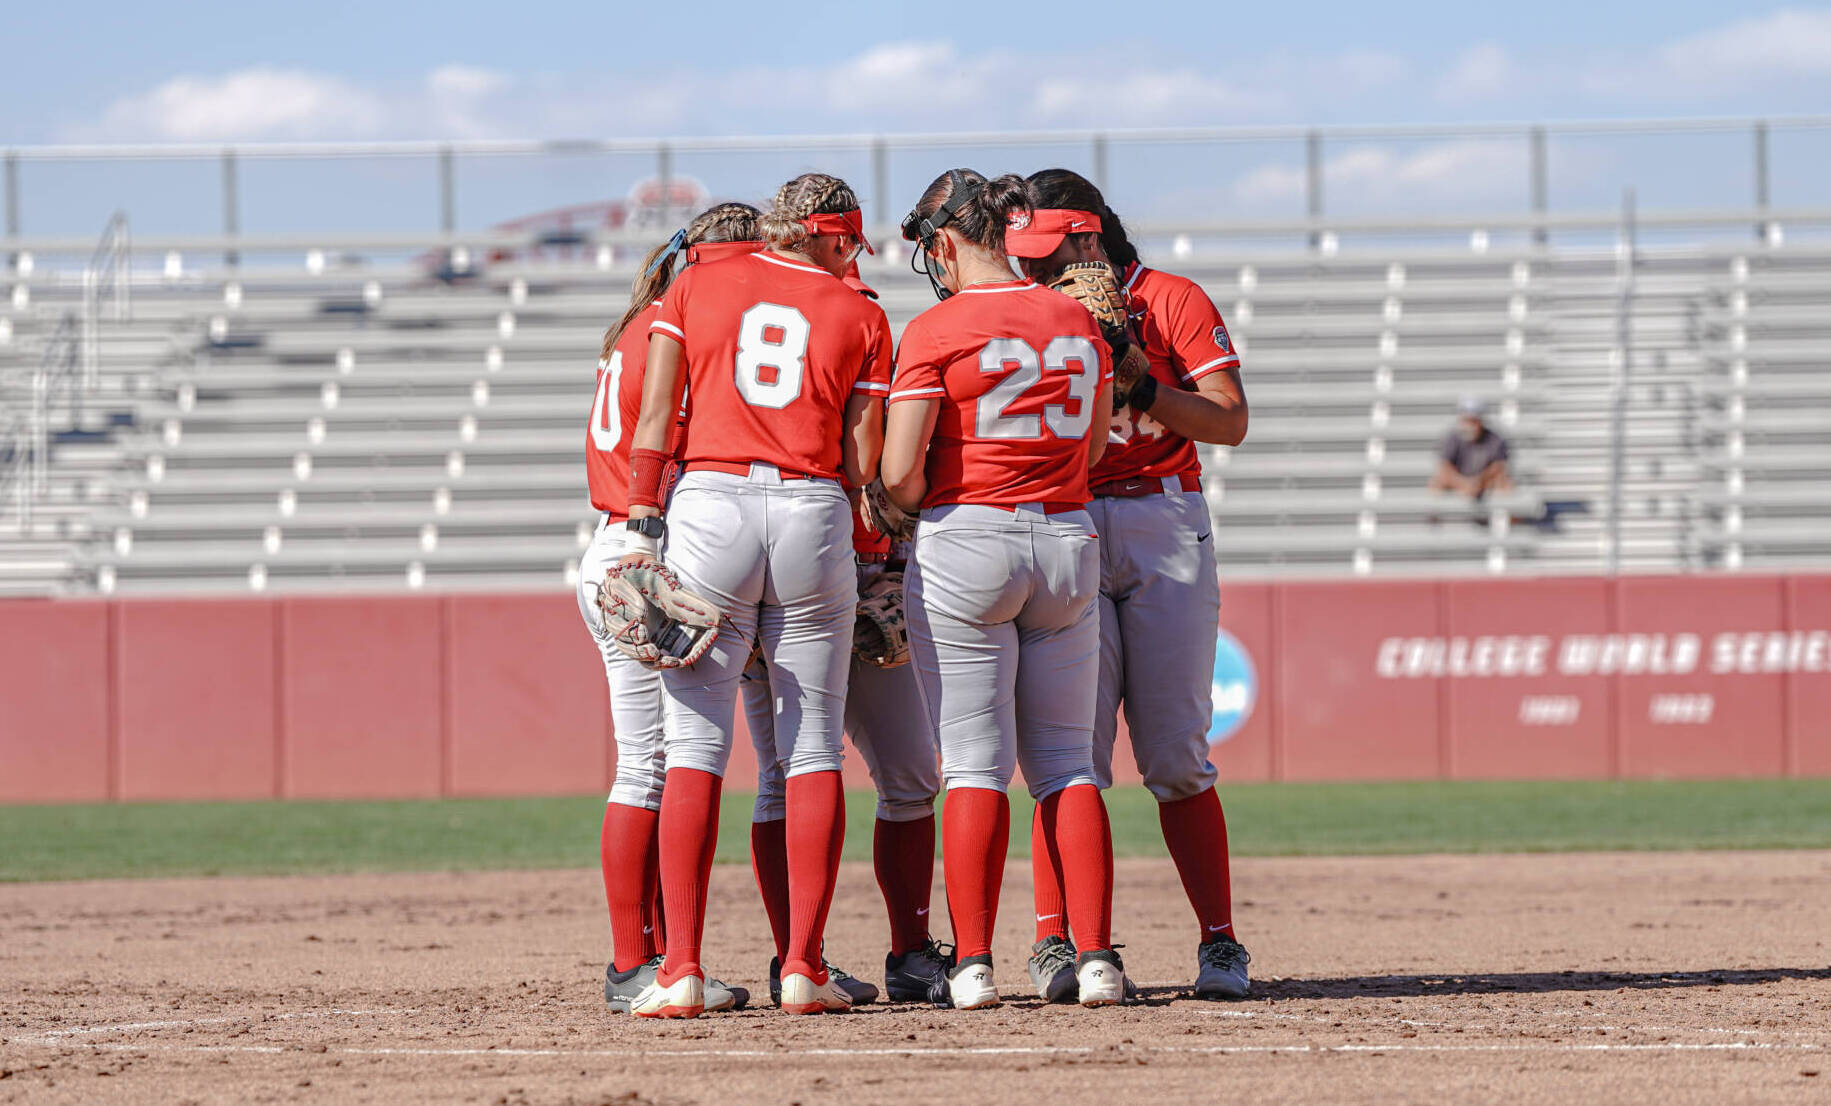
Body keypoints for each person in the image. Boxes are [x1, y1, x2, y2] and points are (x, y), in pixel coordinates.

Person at [622, 172, 892, 1018]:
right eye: (848, 239)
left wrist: (639, 522)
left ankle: (682, 972)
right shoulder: (862, 311)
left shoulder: (697, 282)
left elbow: (659, 411)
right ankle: (804, 967)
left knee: (693, 743)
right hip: (812, 508)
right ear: (830, 235)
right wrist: (877, 552)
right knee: (810, 748)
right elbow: (862, 461)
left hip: (710, 501)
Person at [1006, 168, 1253, 1001]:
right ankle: (1062, 941)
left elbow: (1228, 421)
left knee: (1178, 755)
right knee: (1065, 755)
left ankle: (1218, 941)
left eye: (1045, 250)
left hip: (1159, 519)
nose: (1031, 269)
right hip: (1065, 518)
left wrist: (1143, 384)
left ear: (1087, 234)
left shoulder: (1170, 297)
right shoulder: (1028, 310)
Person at [881, 167, 1124, 1010]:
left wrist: (902, 501)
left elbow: (900, 473)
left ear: (944, 241)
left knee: (975, 767)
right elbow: (1093, 449)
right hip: (1064, 536)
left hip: (968, 537)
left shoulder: (937, 327)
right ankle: (1095, 958)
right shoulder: (1075, 318)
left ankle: (974, 963)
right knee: (1066, 765)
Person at [741, 263, 950, 1009]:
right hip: (799, 578)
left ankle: (908, 952)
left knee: (908, 775)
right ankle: (798, 955)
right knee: (793, 773)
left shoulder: (779, 372)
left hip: (847, 577)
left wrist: (894, 569)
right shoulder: (790, 394)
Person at [576, 204, 765, 1016]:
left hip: (611, 541)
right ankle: (647, 961)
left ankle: (636, 962)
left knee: (638, 765)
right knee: (667, 760)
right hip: (656, 544)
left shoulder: (641, 318)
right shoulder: (687, 324)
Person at [1430, 397, 1514, 499]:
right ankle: (1432, 513)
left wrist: (1479, 482)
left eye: (1473, 421)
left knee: (1505, 483)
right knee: (1437, 483)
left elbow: (1498, 467)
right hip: (1459, 481)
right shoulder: (1452, 438)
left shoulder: (1494, 439)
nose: (1469, 425)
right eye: (1466, 421)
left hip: (1485, 482)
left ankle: (1511, 513)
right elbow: (1445, 467)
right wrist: (1463, 483)